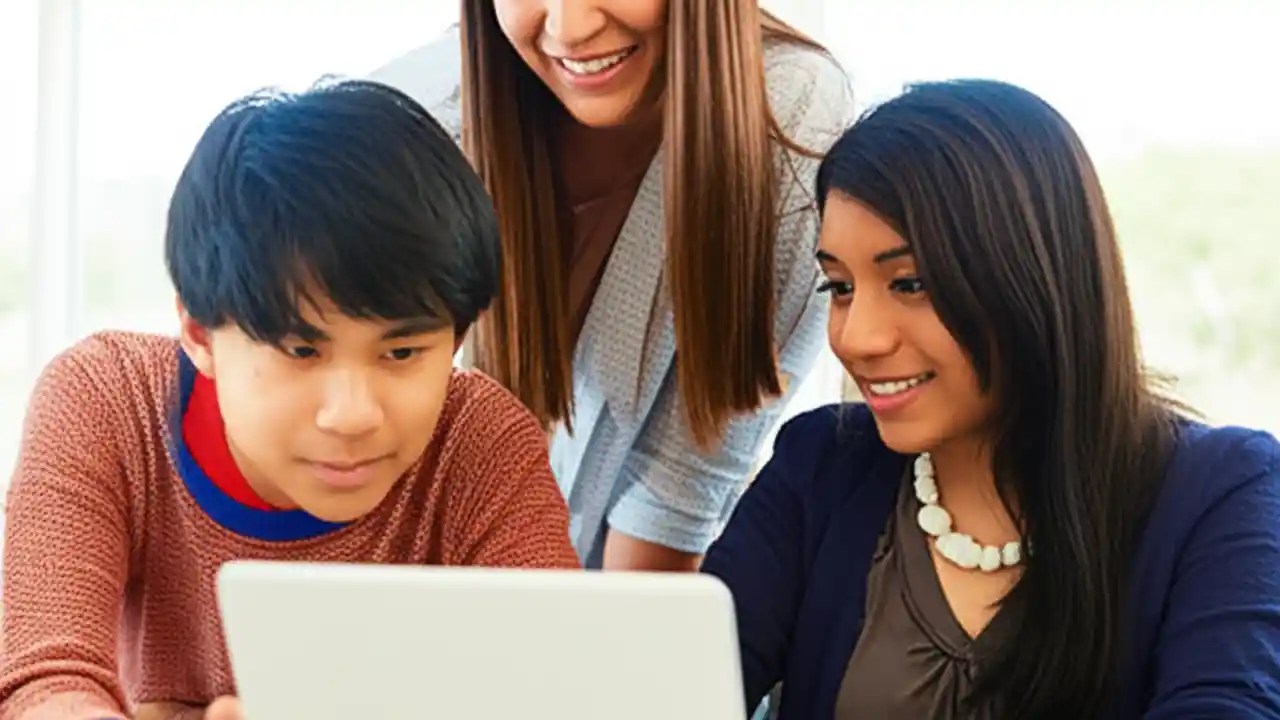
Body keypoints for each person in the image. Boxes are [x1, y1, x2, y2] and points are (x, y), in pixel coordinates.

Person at [0, 80, 579, 720]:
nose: (354, 414)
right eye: (302, 352)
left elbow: (556, 689)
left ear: (458, 338)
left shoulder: (484, 444)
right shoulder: (106, 401)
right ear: (199, 332)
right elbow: (43, 679)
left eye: (403, 352)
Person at [701, 79, 1280, 719]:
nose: (857, 337)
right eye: (837, 287)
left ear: (1031, 277)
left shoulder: (1224, 493)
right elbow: (667, 686)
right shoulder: (820, 464)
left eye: (911, 282)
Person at [372, 1, 856, 570]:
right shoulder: (414, 129)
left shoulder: (788, 109)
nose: (570, 28)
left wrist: (598, 647)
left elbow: (681, 481)